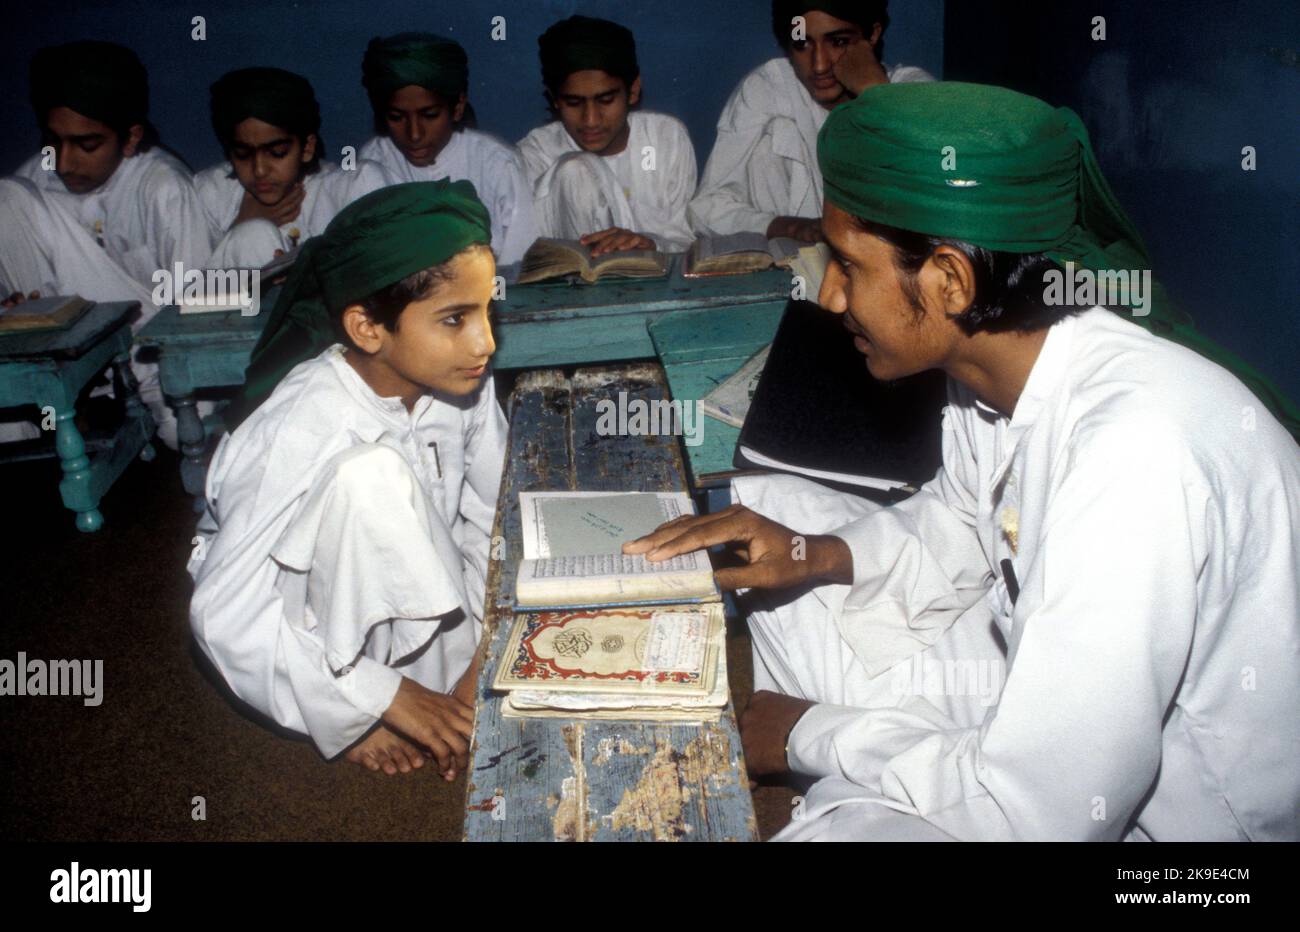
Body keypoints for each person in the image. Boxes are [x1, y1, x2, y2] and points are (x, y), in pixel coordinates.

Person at [627, 82, 1300, 841]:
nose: (832, 296)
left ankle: (859, 791)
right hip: (1050, 712)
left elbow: (1044, 814)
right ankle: (877, 781)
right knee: (785, 506)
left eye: (848, 265)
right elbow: (961, 519)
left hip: (1187, 845)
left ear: (950, 280)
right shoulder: (1011, 369)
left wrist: (808, 734)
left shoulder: (1134, 459)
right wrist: (811, 554)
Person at [189, 181, 507, 777]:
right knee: (371, 477)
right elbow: (223, 614)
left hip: (434, 614)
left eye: (489, 310)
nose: (486, 341)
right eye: (456, 318)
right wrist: (379, 695)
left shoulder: (464, 384)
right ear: (366, 328)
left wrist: (483, 658)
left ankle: (433, 683)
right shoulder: (303, 421)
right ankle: (348, 704)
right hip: (310, 632)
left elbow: (497, 516)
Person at [0, 40, 212, 446]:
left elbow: (192, 303)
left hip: (145, 353)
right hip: (63, 354)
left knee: (187, 429)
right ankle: (54, 396)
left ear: (130, 137)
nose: (64, 162)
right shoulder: (31, 184)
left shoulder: (162, 186)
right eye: (53, 140)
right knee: (7, 196)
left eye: (87, 144)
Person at [688, 1, 932, 241]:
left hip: (887, 269)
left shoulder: (912, 90)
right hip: (788, 268)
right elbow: (707, 206)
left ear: (872, 35)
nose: (819, 65)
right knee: (774, 134)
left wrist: (873, 93)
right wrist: (789, 227)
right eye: (802, 44)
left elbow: (929, 201)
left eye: (838, 42)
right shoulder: (771, 86)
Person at [518, 15, 697, 255]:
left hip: (657, 284)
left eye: (606, 100)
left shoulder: (665, 138)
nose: (590, 119)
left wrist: (649, 243)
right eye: (573, 102)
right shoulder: (536, 153)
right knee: (575, 169)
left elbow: (682, 238)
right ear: (554, 100)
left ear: (632, 91)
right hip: (569, 288)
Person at [358, 33, 537, 269]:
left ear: (458, 107)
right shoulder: (373, 161)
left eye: (430, 115)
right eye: (396, 117)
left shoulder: (498, 162)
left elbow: (519, 261)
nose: (414, 134)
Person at [196, 67, 388, 268]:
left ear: (307, 148)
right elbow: (188, 290)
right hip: (232, 299)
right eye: (243, 154)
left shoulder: (350, 187)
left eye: (277, 152)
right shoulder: (213, 192)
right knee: (252, 234)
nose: (260, 170)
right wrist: (239, 227)